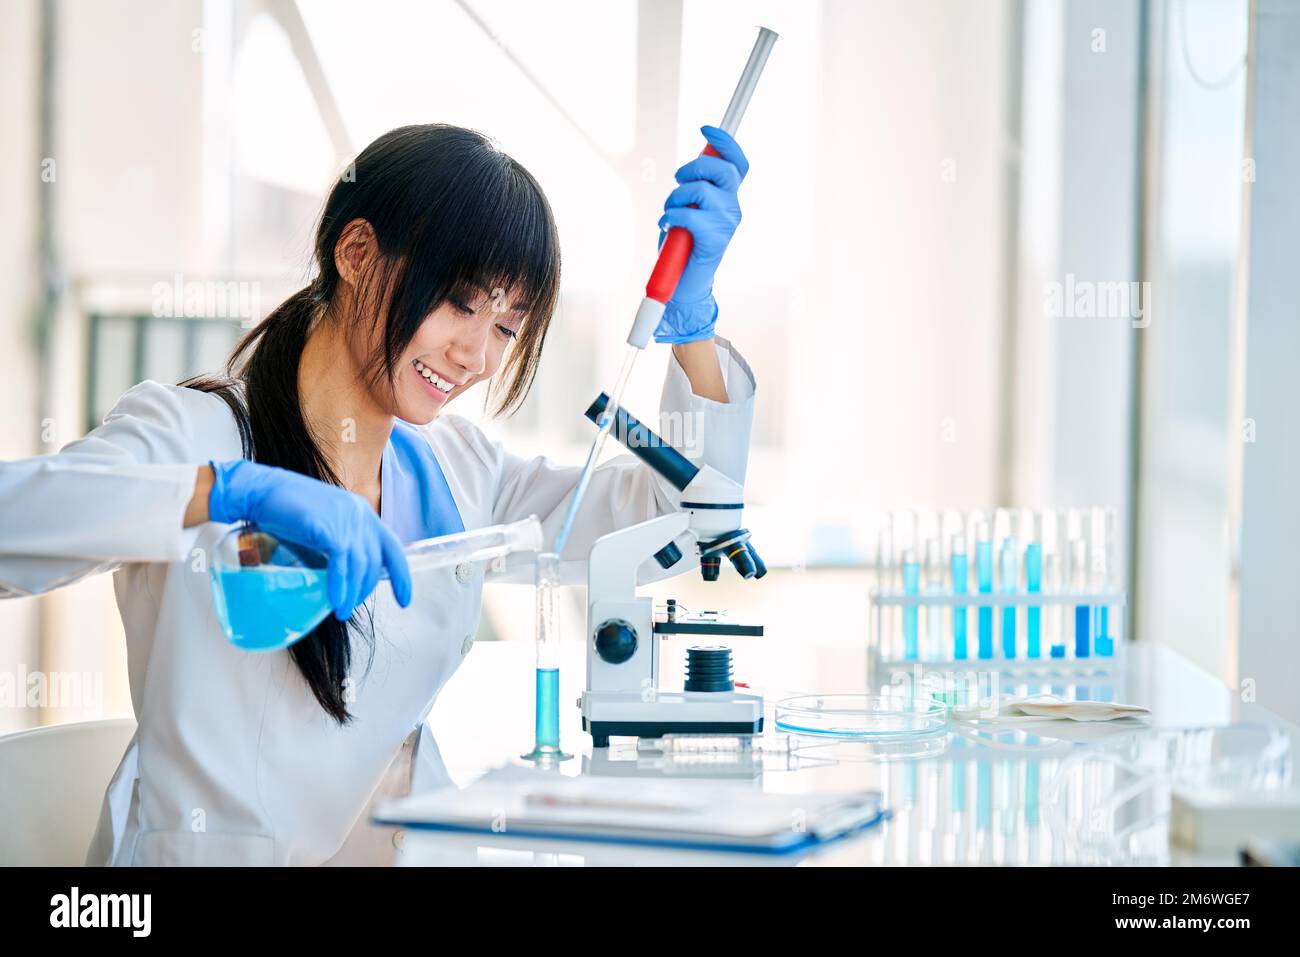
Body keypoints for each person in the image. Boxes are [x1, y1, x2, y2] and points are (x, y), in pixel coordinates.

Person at [0, 123, 757, 865]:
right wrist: (223, 493)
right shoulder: (193, 435)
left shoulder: (461, 472)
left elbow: (680, 519)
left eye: (506, 326)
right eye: (459, 301)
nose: (475, 354)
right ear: (356, 252)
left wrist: (690, 325)